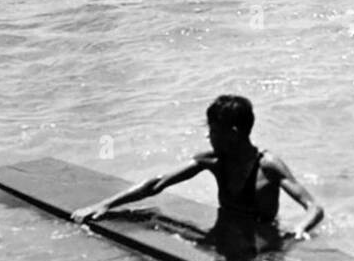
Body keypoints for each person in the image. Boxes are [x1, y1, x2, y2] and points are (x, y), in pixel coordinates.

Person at [70, 95, 324, 241]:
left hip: (261, 238)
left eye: (213, 131)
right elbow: (156, 184)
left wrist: (299, 229)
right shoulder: (212, 160)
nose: (208, 138)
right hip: (223, 233)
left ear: (233, 133)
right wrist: (105, 204)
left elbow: (314, 208)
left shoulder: (268, 166)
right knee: (151, 220)